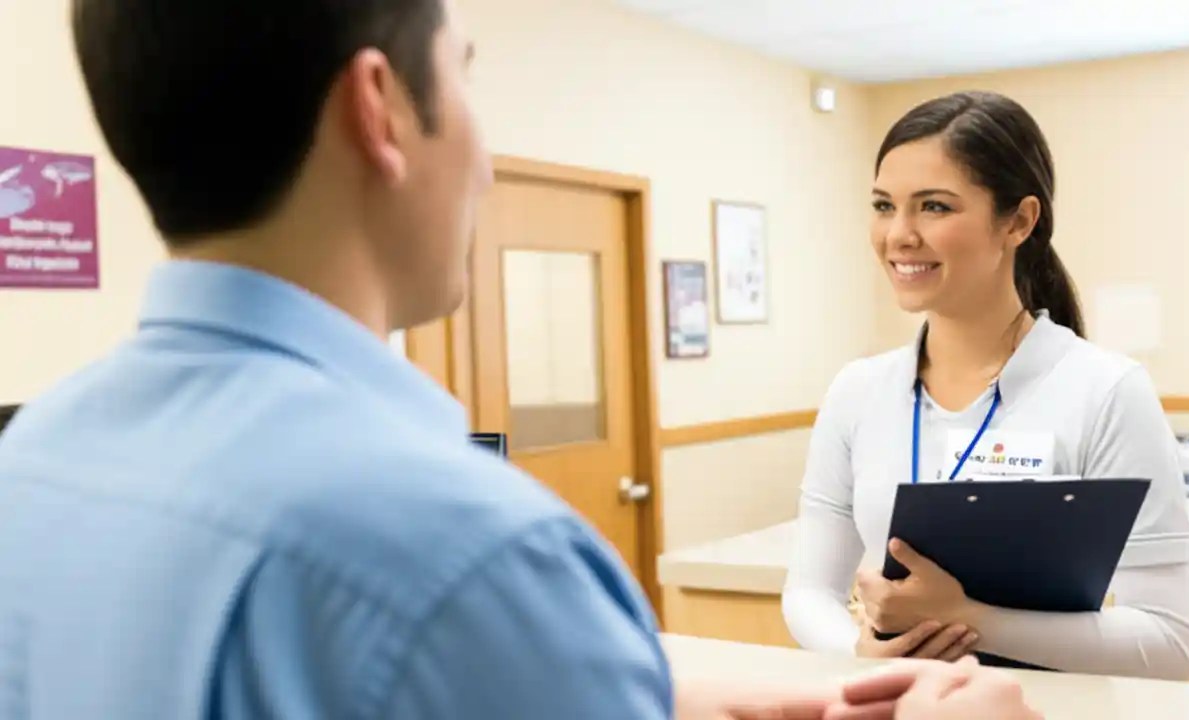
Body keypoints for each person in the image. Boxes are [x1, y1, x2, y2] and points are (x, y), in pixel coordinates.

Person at [0, 2, 1044, 718]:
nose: (485, 158)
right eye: (462, 80)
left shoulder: (35, 463)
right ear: (382, 109)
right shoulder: (467, 553)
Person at [782, 90, 1189, 680]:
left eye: (933, 206)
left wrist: (964, 617)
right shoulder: (858, 392)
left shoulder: (1105, 391)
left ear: (1019, 220)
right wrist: (856, 651)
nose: (898, 234)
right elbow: (807, 593)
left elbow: (1171, 643)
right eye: (884, 206)